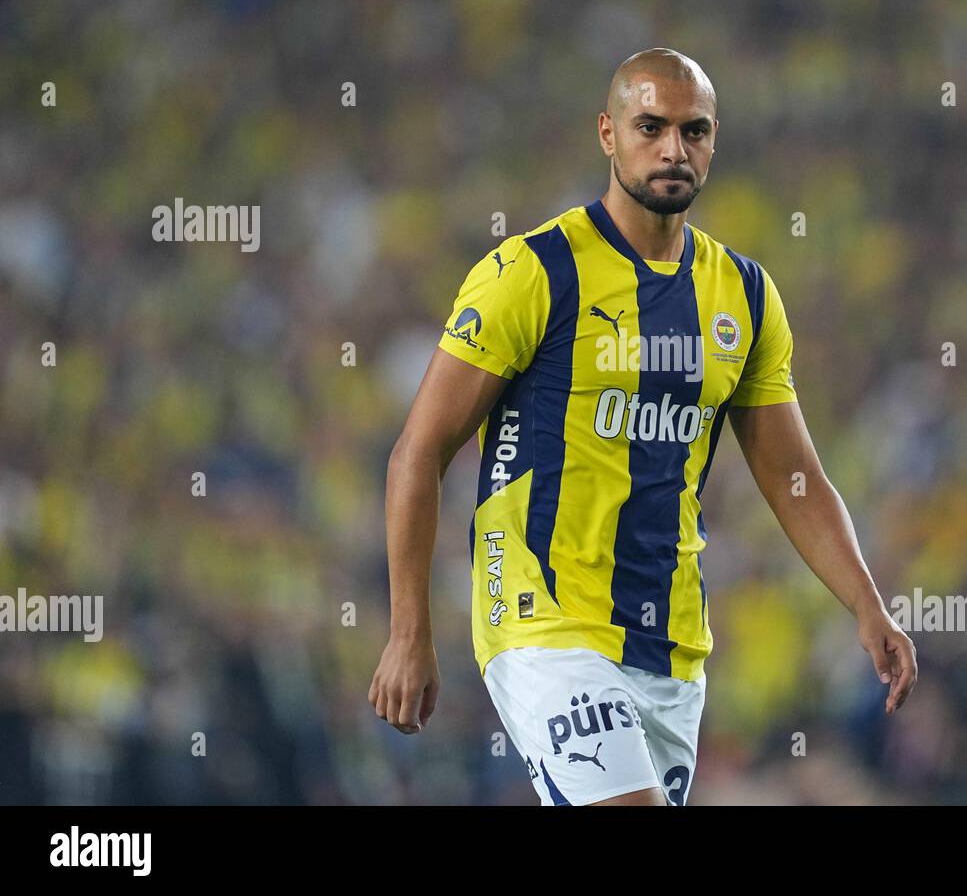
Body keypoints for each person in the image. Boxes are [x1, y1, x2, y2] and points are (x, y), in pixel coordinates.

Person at [369, 48, 917, 806]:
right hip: (543, 621)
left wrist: (867, 602)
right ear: (607, 132)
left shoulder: (744, 296)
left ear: (714, 139)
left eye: (694, 131)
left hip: (671, 646)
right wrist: (408, 632)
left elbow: (795, 478)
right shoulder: (535, 271)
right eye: (651, 126)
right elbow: (417, 451)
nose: (672, 149)